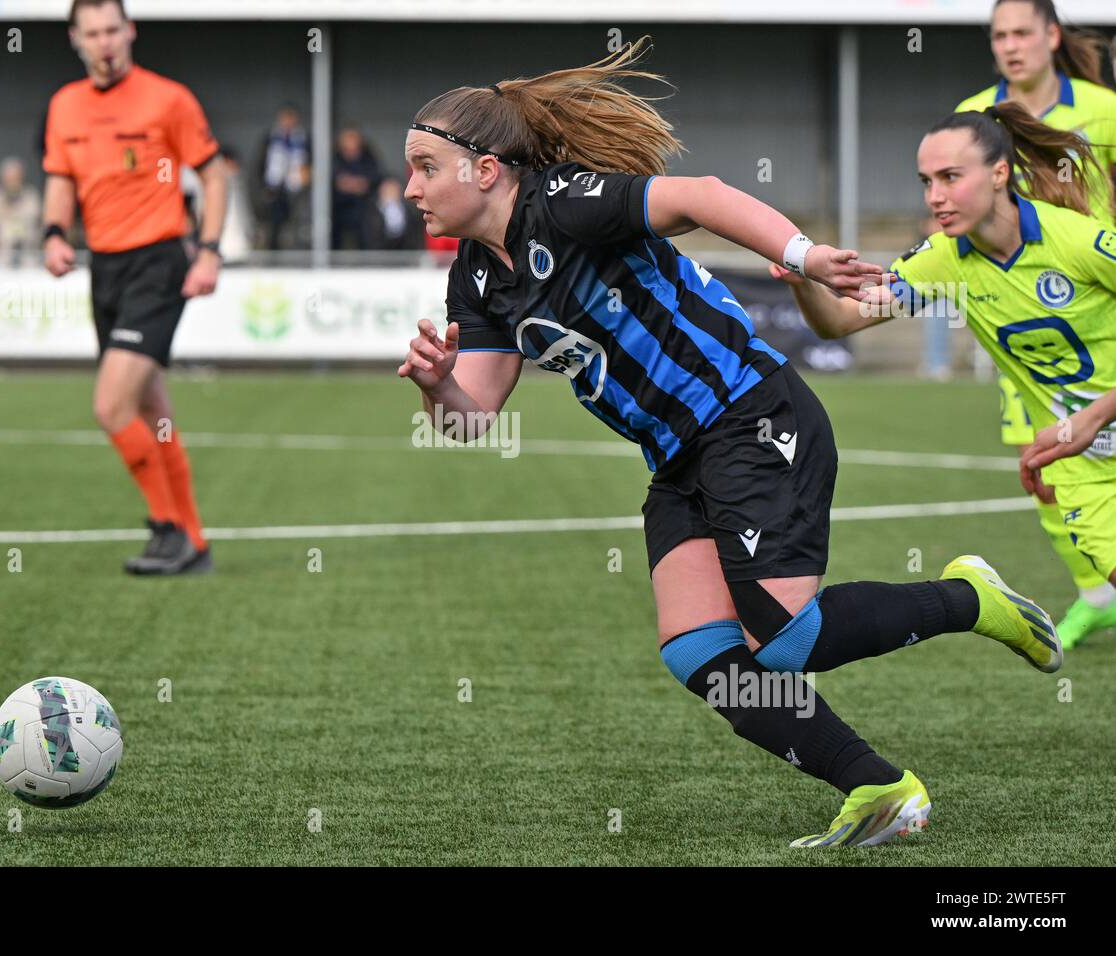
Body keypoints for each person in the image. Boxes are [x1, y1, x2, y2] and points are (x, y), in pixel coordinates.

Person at [398, 39, 1060, 848]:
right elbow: (478, 416)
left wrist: (805, 255)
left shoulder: (567, 201)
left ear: (487, 168)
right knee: (701, 655)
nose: (410, 188)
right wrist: (438, 386)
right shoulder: (477, 277)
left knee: (787, 637)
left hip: (752, 414)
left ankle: (971, 601)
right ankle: (879, 787)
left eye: (426, 166)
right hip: (677, 461)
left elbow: (703, 196)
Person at [773, 104, 1116, 638]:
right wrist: (802, 283)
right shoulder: (942, 259)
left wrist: (1096, 413)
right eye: (926, 181)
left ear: (1000, 174)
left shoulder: (1077, 241)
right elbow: (838, 322)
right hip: (1083, 465)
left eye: (951, 177)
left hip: (1083, 430)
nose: (934, 196)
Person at [41, 0, 226, 575]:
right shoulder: (64, 106)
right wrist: (52, 233)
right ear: (76, 38)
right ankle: (192, 543)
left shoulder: (168, 98)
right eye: (92, 33)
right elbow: (59, 179)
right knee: (152, 411)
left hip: (159, 262)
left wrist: (211, 251)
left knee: (110, 404)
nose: (104, 43)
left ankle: (166, 526)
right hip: (106, 267)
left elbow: (214, 175)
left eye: (112, 31)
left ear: (130, 32)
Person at [953, 0, 1116, 647]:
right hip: (1020, 319)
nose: (1011, 46)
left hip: (1094, 303)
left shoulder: (1102, 110)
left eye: (1023, 32)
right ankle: (1096, 594)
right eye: (999, 35)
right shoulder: (974, 115)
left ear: (1052, 36)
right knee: (1041, 460)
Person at [254, 105, 311, 251]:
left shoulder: (304, 138)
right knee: (275, 223)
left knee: (297, 223)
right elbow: (261, 163)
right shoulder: (271, 138)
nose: (288, 122)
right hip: (274, 188)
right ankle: (274, 252)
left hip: (298, 188)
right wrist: (264, 186)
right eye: (285, 118)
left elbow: (311, 163)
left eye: (291, 118)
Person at [332, 125, 381, 250]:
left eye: (353, 138)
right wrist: (354, 184)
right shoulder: (335, 157)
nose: (350, 141)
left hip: (364, 205)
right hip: (338, 206)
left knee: (368, 222)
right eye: (347, 138)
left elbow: (373, 179)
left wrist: (352, 184)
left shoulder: (368, 156)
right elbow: (335, 181)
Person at [0, 157, 41, 267]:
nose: (12, 180)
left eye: (15, 176)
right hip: (3, 252)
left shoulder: (31, 195)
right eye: (9, 177)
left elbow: (32, 217)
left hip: (28, 250)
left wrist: (12, 212)